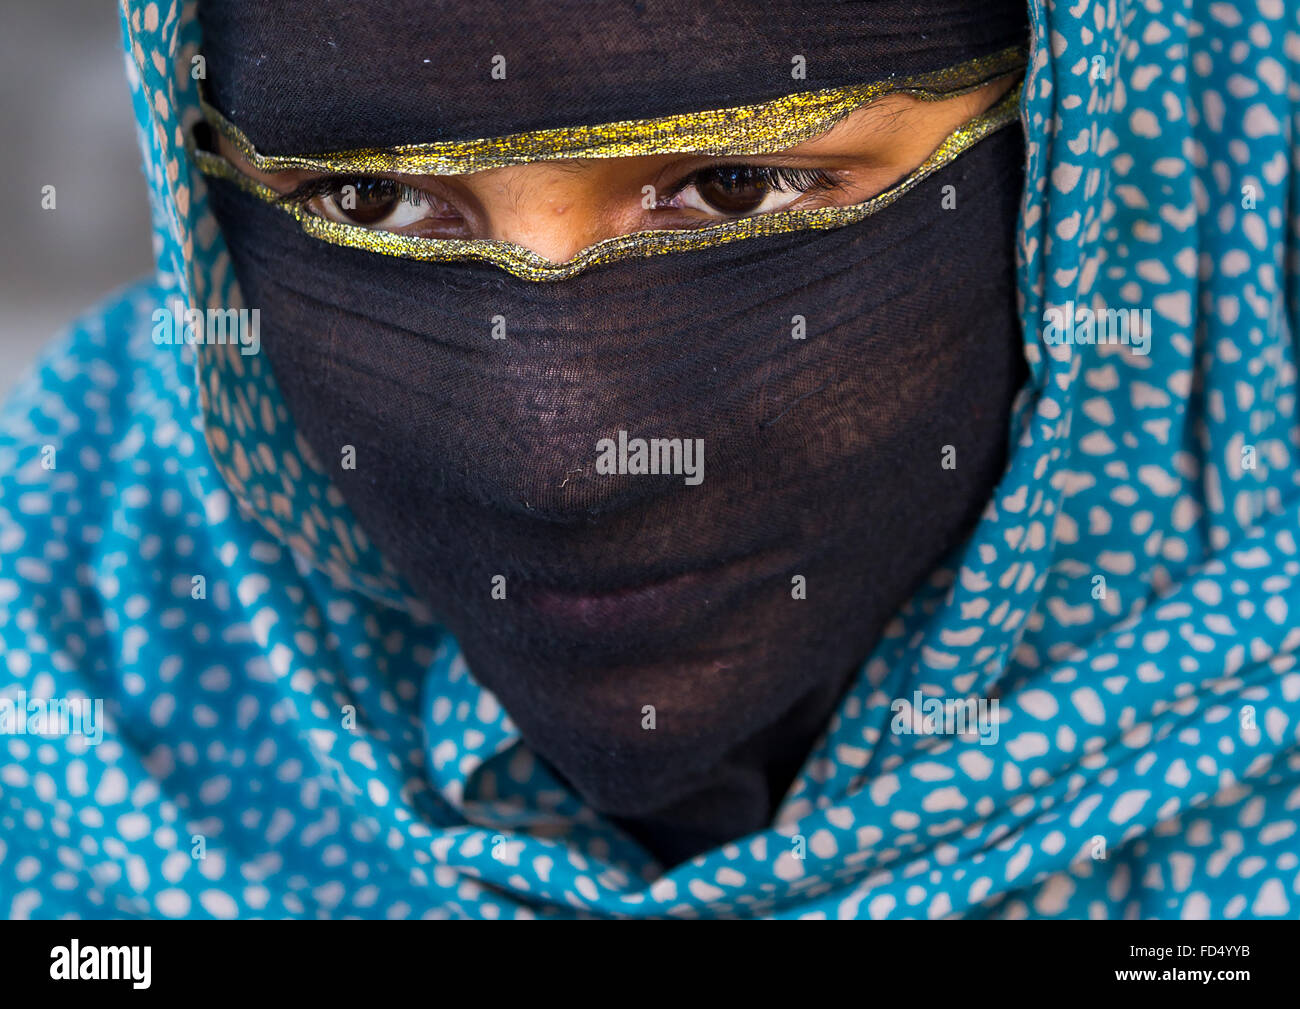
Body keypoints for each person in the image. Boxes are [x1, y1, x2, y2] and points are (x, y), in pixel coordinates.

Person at [0, 0, 1296, 919]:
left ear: (1083, 156)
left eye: (735, 187)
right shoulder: (68, 638)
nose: (564, 460)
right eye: (373, 201)